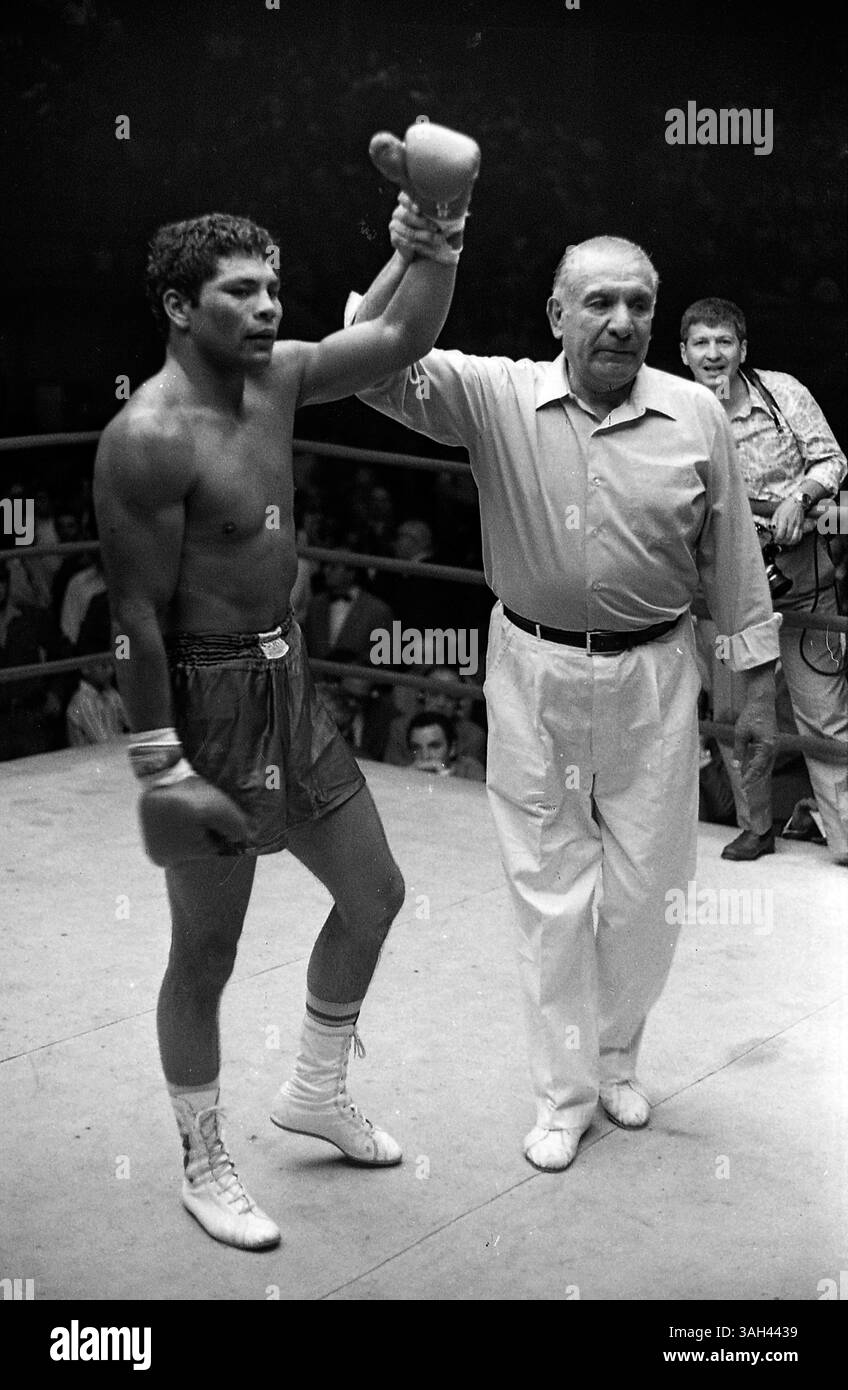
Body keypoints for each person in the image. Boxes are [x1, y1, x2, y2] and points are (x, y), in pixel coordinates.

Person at [93, 122, 479, 1249]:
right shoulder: (146, 437)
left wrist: (436, 231)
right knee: (203, 955)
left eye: (273, 288)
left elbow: (402, 329)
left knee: (374, 895)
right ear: (178, 304)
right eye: (241, 291)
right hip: (205, 703)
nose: (267, 308)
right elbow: (133, 618)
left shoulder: (280, 380)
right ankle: (200, 1157)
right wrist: (158, 761)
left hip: (290, 682)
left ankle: (313, 1088)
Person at [346, 232, 780, 1172]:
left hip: (657, 677)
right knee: (550, 895)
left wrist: (751, 689)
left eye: (638, 305)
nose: (621, 322)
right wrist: (421, 244)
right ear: (557, 316)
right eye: (598, 303)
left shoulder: (698, 413)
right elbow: (370, 356)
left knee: (649, 894)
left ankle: (618, 1055)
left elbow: (733, 559)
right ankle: (565, 1092)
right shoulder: (498, 393)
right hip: (533, 669)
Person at [680, 298, 847, 863]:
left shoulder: (784, 394)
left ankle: (846, 836)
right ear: (684, 354)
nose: (713, 353)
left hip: (802, 583)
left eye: (723, 341)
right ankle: (756, 826)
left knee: (822, 714)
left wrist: (803, 498)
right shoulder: (675, 415)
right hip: (726, 593)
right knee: (732, 716)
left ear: (742, 349)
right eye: (700, 343)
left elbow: (832, 460)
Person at [405, 710, 485, 781]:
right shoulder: (409, 770)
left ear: (452, 749)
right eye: (416, 748)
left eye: (434, 746)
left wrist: (444, 777)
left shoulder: (470, 769)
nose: (425, 756)